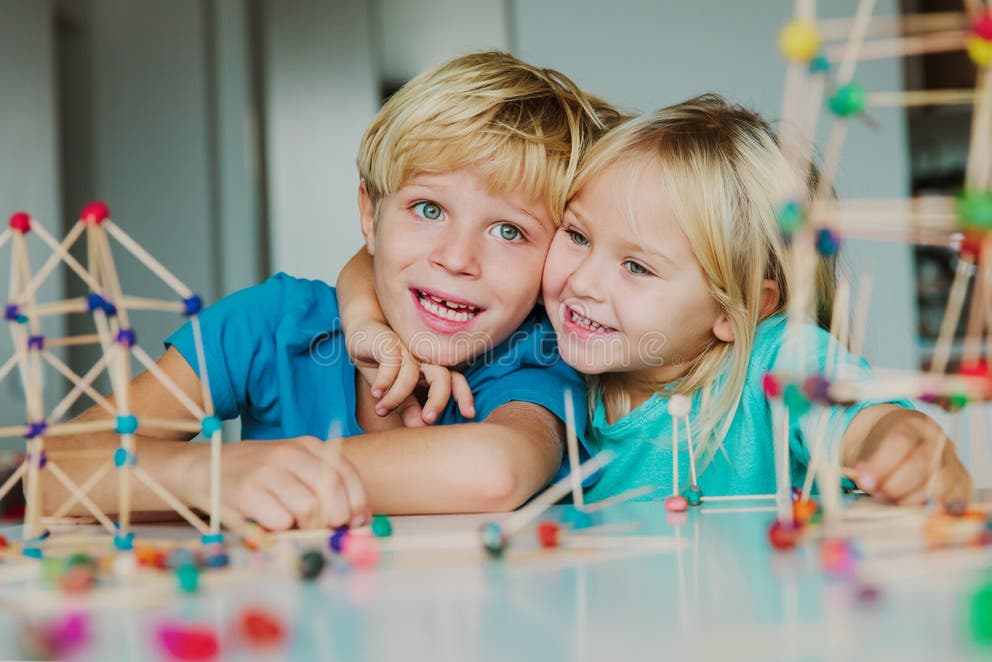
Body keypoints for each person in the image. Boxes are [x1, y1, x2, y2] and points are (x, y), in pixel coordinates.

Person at [44, 51, 622, 530]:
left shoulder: (534, 352)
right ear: (370, 215)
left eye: (509, 231)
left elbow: (496, 469)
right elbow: (49, 474)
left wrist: (281, 473)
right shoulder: (271, 325)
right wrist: (214, 476)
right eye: (427, 208)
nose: (456, 258)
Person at [347, 94, 972, 507]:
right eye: (577, 235)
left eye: (638, 266)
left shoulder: (774, 359)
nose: (584, 281)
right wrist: (366, 321)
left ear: (737, 311)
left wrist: (899, 438)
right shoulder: (546, 347)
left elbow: (855, 416)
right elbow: (363, 263)